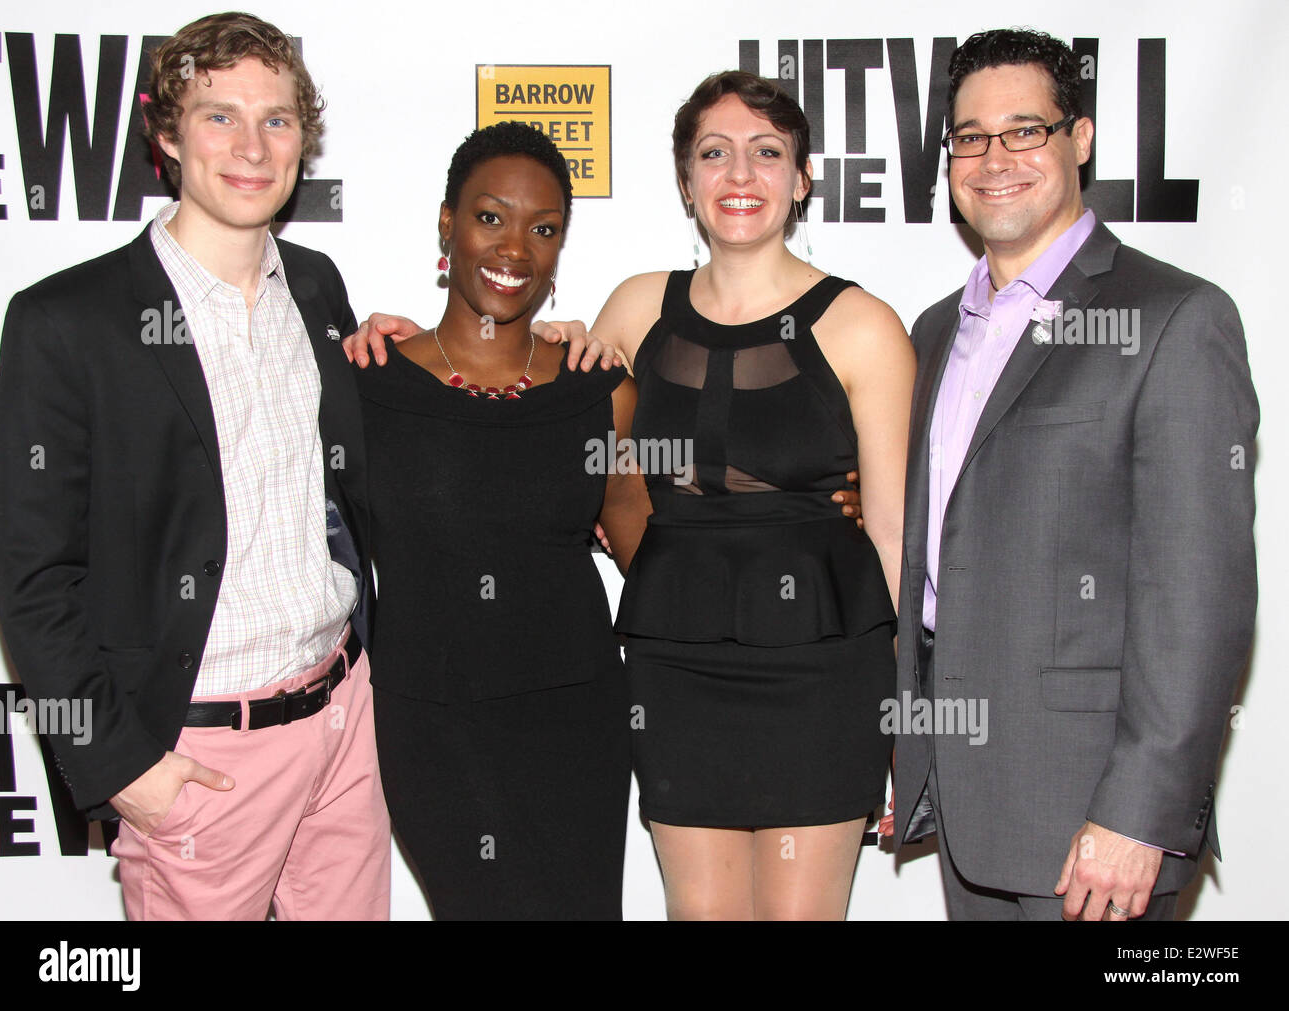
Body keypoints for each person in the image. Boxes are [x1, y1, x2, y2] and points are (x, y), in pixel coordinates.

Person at [345, 76, 900, 920]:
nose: (739, 174)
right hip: (673, 668)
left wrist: (907, 732)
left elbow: (894, 533)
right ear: (685, 181)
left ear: (803, 175)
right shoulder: (637, 310)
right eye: (714, 153)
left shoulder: (865, 325)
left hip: (817, 665)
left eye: (767, 152)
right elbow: (552, 401)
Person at [0, 12, 390, 920]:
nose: (252, 146)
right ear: (167, 136)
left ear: (303, 139)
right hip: (205, 751)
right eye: (220, 116)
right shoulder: (66, 322)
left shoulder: (320, 286)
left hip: (343, 719)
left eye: (278, 119)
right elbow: (32, 574)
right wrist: (122, 764)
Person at [883, 28, 1258, 921]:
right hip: (969, 803)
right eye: (970, 137)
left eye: (1024, 130)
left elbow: (1198, 597)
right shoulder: (933, 332)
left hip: (1097, 820)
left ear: (1078, 137)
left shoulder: (1174, 319)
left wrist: (1141, 813)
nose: (994, 159)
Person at [356, 122, 651, 919]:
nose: (515, 247)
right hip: (432, 724)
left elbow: (653, 555)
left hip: (575, 723)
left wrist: (804, 510)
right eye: (491, 217)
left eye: (544, 228)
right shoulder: (367, 387)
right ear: (446, 224)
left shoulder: (599, 392)